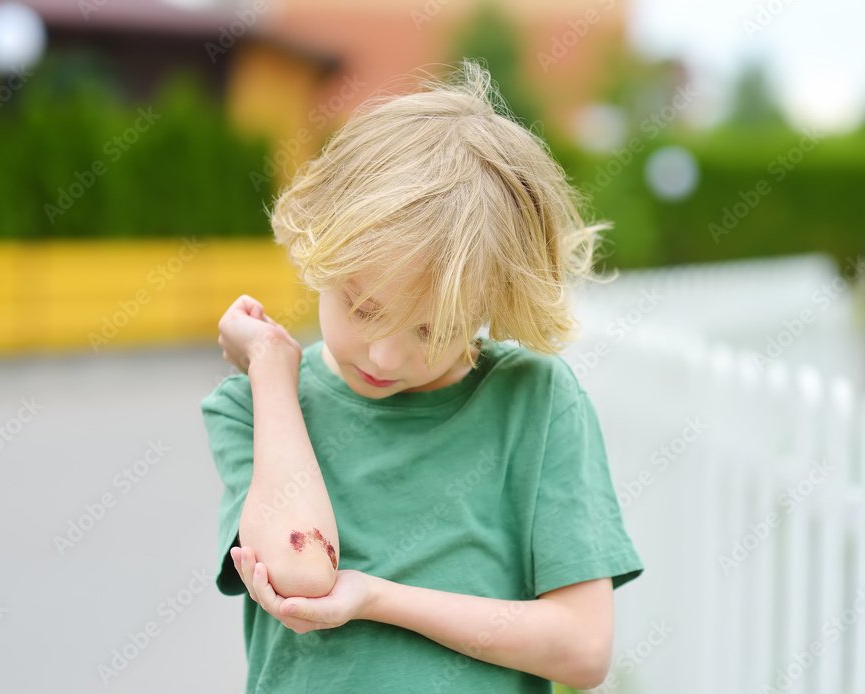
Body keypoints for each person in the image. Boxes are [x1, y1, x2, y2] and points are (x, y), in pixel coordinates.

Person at [201, 59, 644, 693]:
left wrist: (379, 598)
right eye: (362, 306)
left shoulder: (534, 402)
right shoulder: (256, 406)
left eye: (432, 329)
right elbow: (299, 575)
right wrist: (271, 369)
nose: (383, 357)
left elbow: (583, 649)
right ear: (323, 251)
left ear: (492, 303)